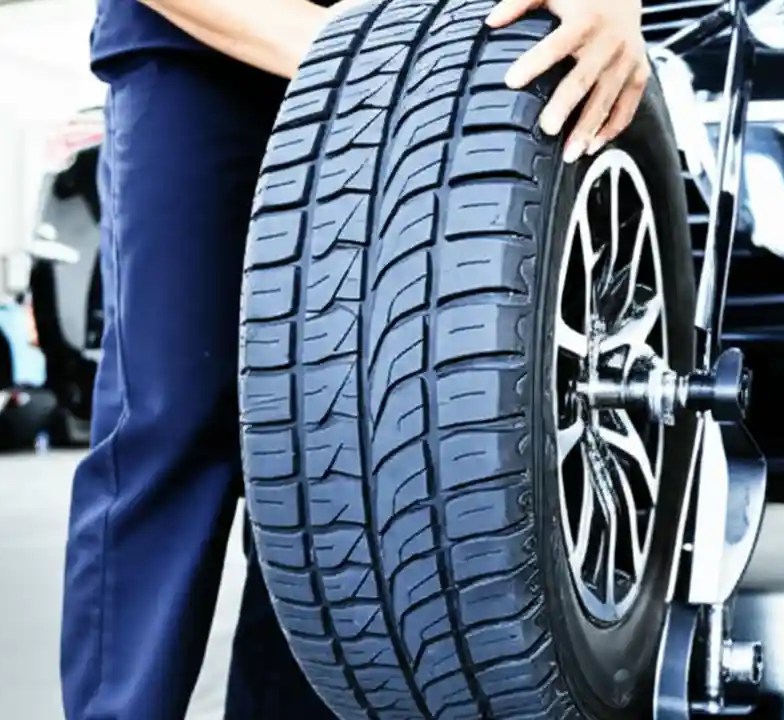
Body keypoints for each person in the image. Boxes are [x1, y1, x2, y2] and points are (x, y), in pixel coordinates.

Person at [59, 0, 652, 717]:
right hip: (212, 44)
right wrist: (365, 57)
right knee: (174, 412)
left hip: (430, 63)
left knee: (352, 447)